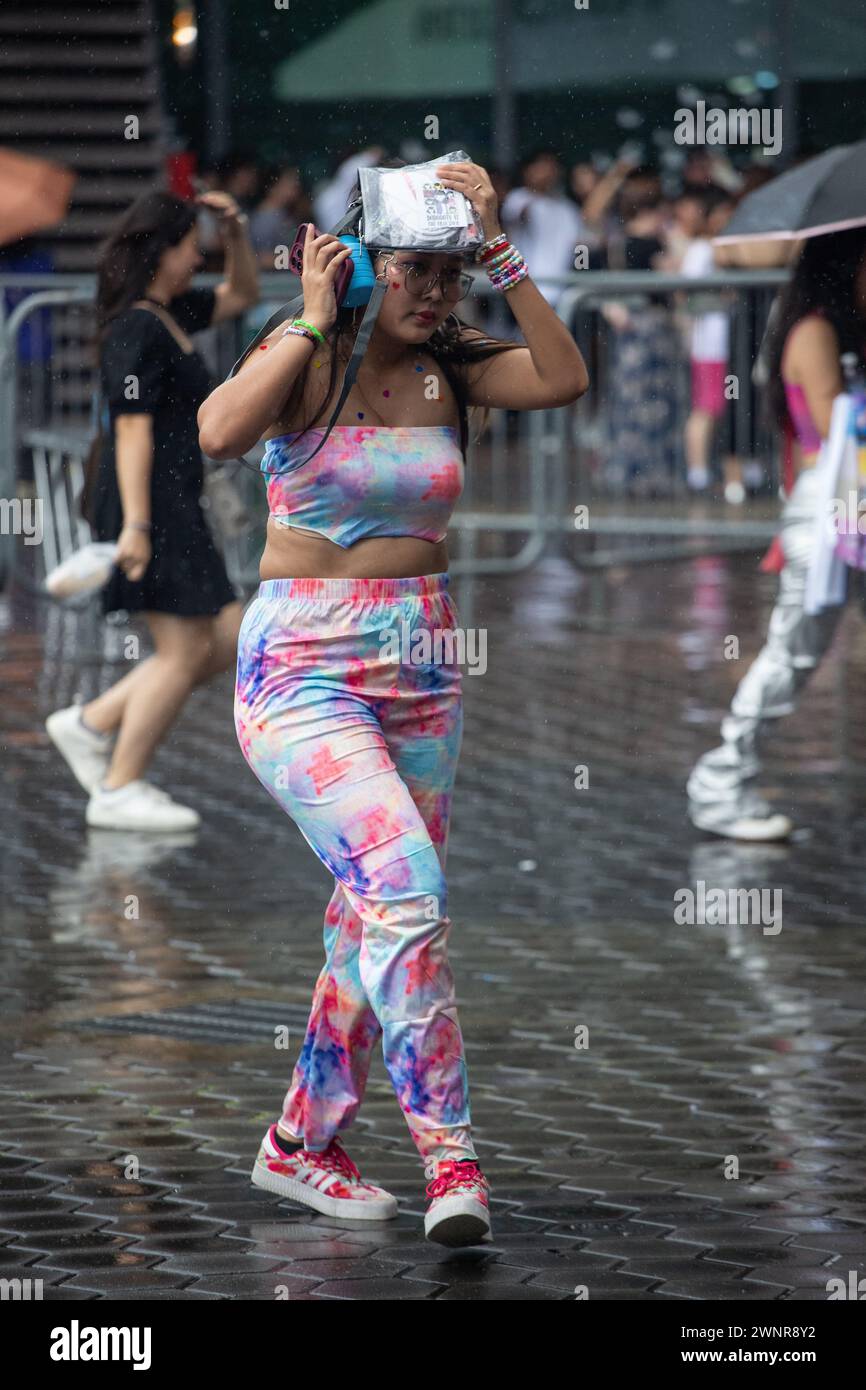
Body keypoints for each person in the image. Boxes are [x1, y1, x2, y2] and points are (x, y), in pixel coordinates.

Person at [198, 157, 589, 1246]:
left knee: (367, 919)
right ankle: (451, 1161)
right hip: (303, 673)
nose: (436, 294)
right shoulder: (310, 356)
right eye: (418, 270)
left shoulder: (452, 363)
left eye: (451, 275)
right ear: (367, 261)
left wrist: (502, 249)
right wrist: (313, 319)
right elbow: (217, 433)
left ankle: (299, 1147)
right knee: (405, 894)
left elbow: (560, 377)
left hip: (420, 669)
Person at [45, 190, 259, 831]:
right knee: (186, 645)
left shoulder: (169, 314)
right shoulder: (137, 327)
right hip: (147, 504)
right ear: (161, 251)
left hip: (172, 500)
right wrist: (137, 525)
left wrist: (237, 232)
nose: (200, 255)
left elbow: (241, 296)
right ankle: (118, 785)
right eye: (192, 243)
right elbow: (131, 429)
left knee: (222, 636)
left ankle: (90, 723)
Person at [686, 227, 866, 840]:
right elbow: (840, 430)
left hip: (848, 505)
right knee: (794, 650)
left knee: (796, 649)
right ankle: (721, 781)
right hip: (831, 510)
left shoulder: (842, 331)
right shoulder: (815, 331)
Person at [500, 148, 585, 309]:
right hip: (526, 291)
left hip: (563, 293)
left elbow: (581, 246)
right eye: (540, 166)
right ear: (527, 171)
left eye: (551, 166)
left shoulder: (568, 208)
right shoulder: (519, 198)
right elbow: (516, 216)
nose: (547, 171)